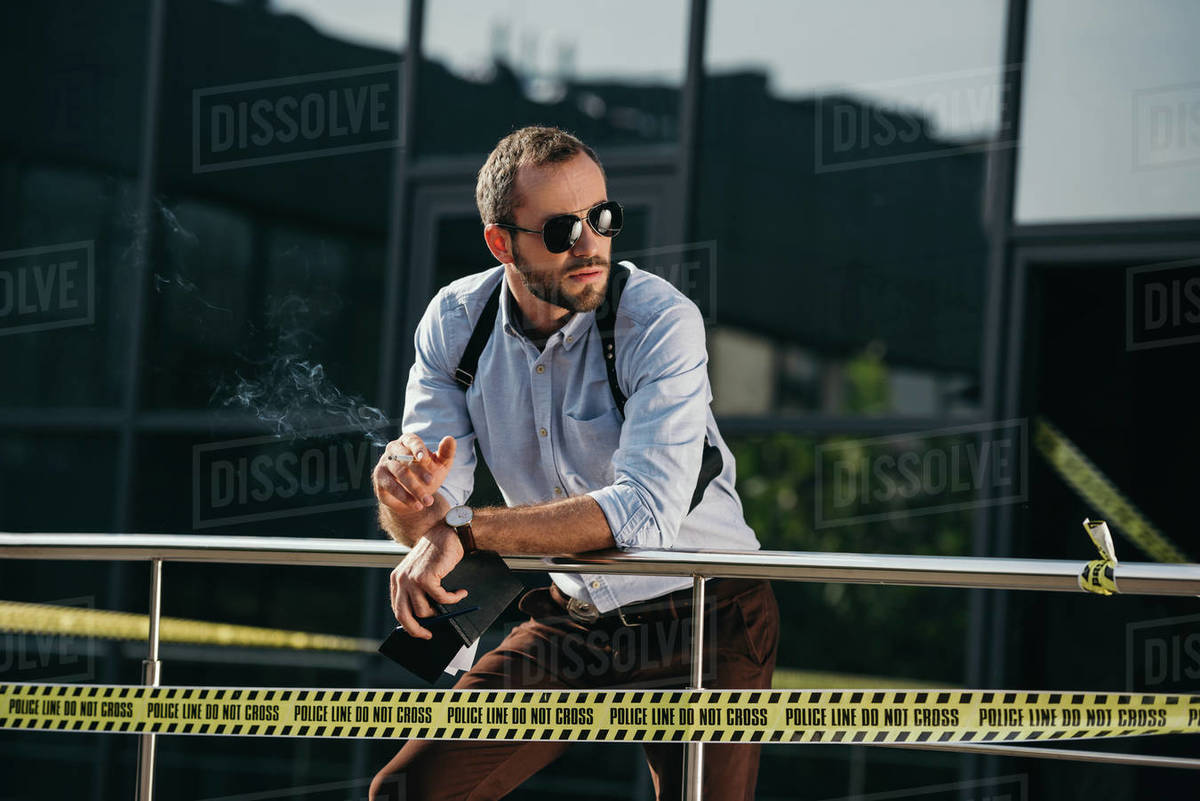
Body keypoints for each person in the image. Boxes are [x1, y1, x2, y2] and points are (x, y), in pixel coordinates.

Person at [369, 126, 778, 801]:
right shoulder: (455, 324)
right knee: (410, 792)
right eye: (561, 229)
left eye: (602, 218)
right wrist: (407, 500)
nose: (589, 243)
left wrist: (463, 530)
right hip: (576, 617)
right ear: (501, 242)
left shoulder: (657, 321)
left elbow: (642, 514)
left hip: (707, 615)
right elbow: (435, 525)